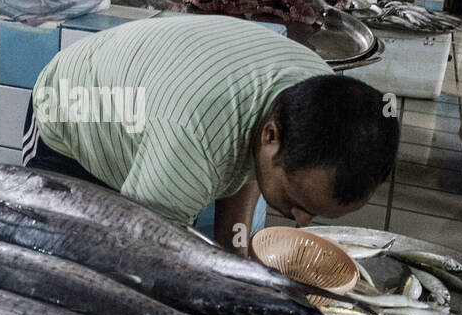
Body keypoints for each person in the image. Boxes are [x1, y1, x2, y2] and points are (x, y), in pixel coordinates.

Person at [20, 16, 400, 255]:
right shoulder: (192, 138)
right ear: (272, 135)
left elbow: (249, 156)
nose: (302, 222)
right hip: (74, 103)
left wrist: (234, 252)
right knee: (62, 254)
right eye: (299, 203)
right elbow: (139, 254)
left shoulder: (311, 92)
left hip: (163, 96)